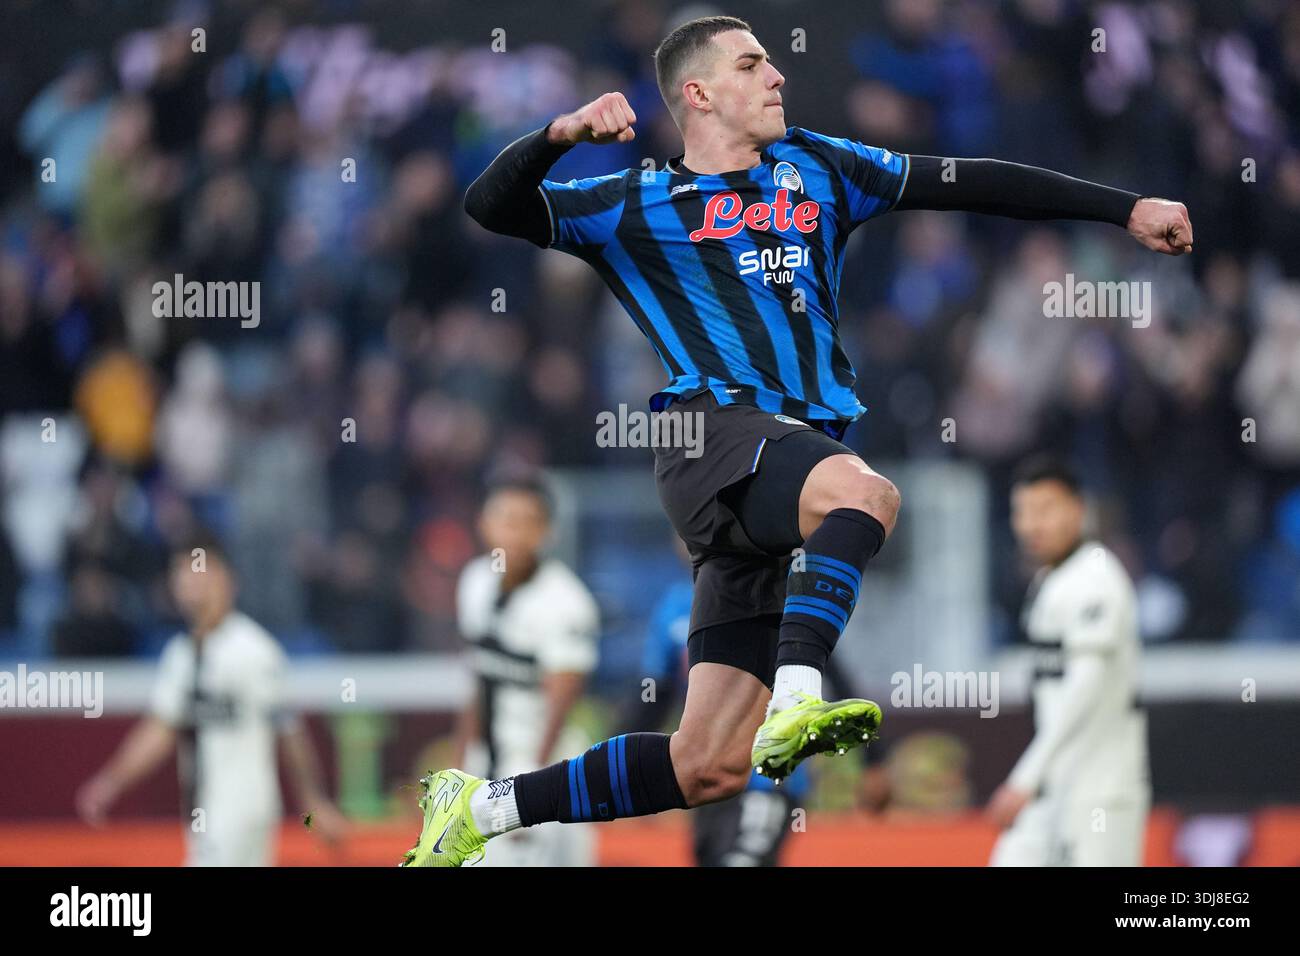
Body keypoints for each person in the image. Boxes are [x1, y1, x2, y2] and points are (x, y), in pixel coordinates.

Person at [402, 14, 1191, 866]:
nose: (778, 76)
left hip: (780, 469)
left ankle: (484, 806)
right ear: (698, 94)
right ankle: (799, 693)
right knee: (868, 494)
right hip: (712, 433)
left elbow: (974, 181)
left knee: (707, 764)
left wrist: (1125, 209)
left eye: (774, 62)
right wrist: (560, 135)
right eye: (752, 64)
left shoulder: (819, 166)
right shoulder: (633, 201)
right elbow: (490, 205)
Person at [76, 533, 346, 866]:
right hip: (203, 810)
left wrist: (314, 800)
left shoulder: (252, 650)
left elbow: (287, 726)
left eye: (200, 571)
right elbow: (161, 728)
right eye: (183, 573)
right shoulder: (181, 655)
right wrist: (110, 782)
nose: (191, 582)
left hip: (242, 808)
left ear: (226, 579)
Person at [987, 457, 1150, 866]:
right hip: (1052, 785)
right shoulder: (1050, 579)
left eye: (1045, 510)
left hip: (1100, 791)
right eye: (1022, 512)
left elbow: (1085, 686)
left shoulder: (1097, 578)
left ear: (1079, 510)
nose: (1031, 525)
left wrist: (1024, 778)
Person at [451, 478, 600, 866]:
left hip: (542, 765)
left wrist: (528, 793)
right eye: (505, 519)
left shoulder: (565, 602)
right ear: (483, 523)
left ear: (546, 531)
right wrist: (456, 769)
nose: (514, 532)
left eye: (527, 521)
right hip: (486, 761)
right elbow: (480, 680)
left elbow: (560, 703)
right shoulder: (475, 582)